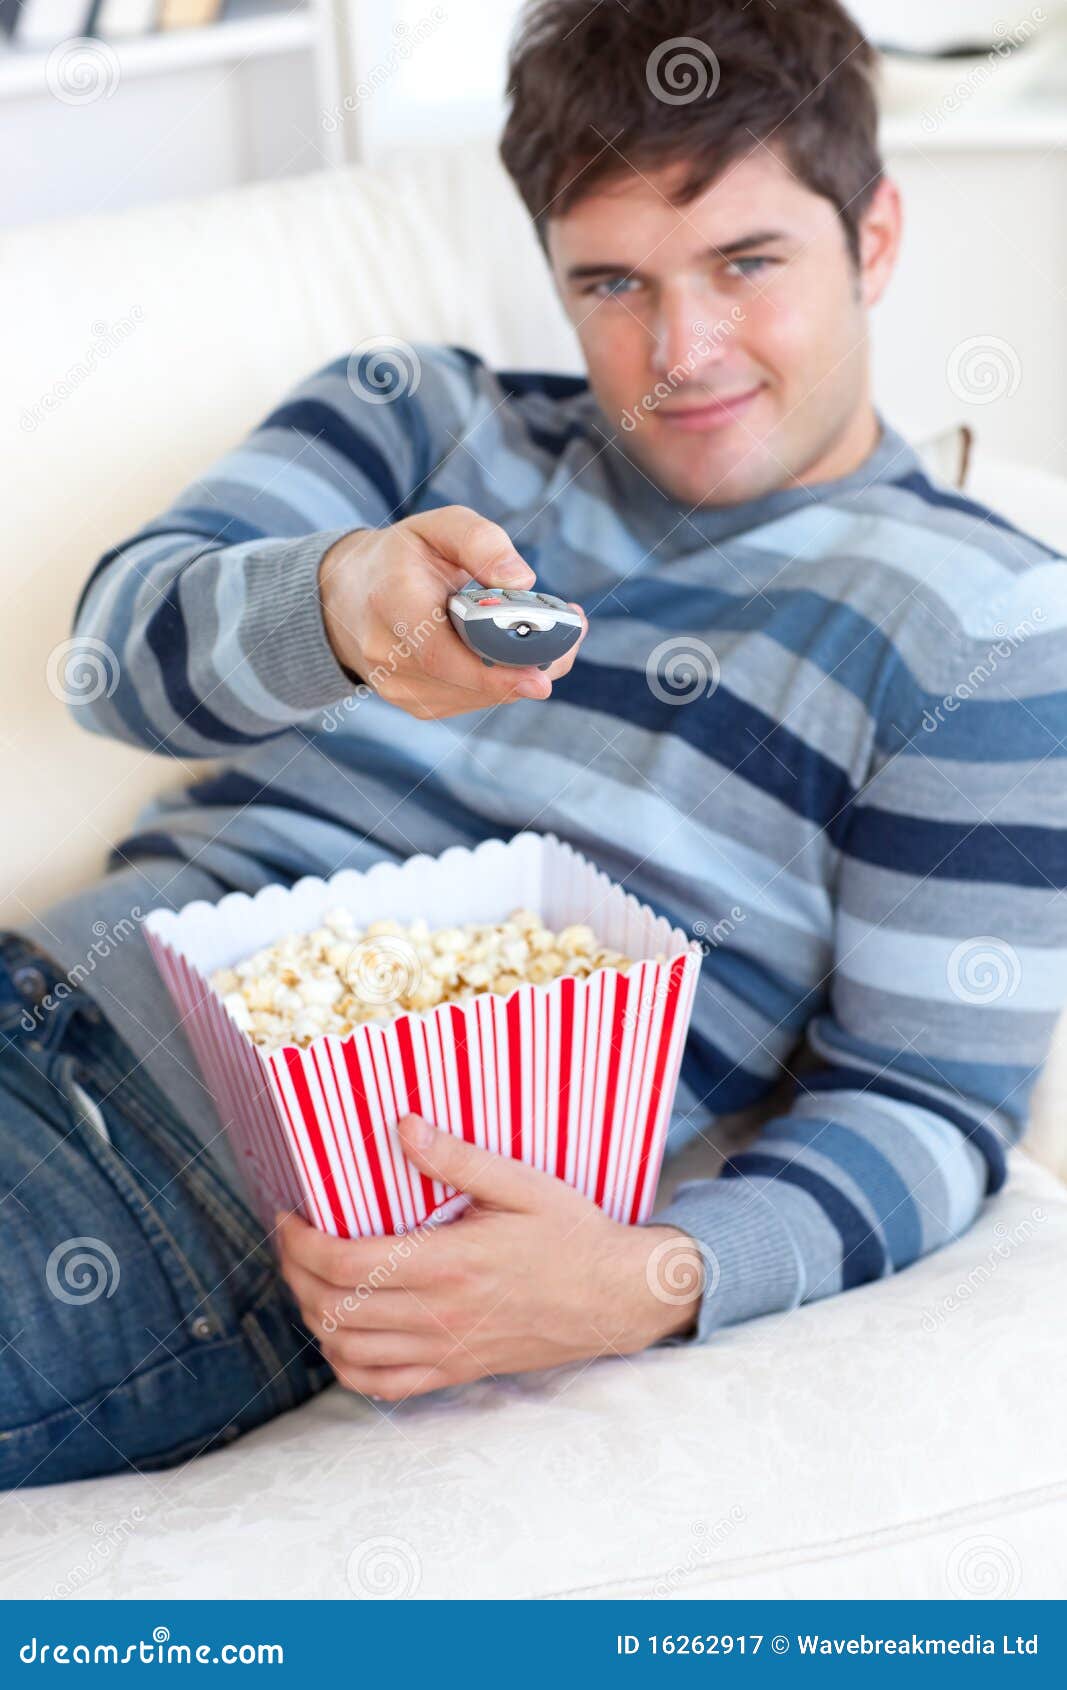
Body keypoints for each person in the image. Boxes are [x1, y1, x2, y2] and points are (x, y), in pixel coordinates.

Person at [3, 0, 1065, 1489]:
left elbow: (932, 1105)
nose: (682, 350)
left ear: (873, 238)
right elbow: (110, 655)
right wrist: (344, 605)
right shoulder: (423, 418)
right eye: (613, 282)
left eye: (747, 265)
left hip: (199, 1189)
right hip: (41, 973)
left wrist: (653, 1276)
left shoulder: (995, 625)